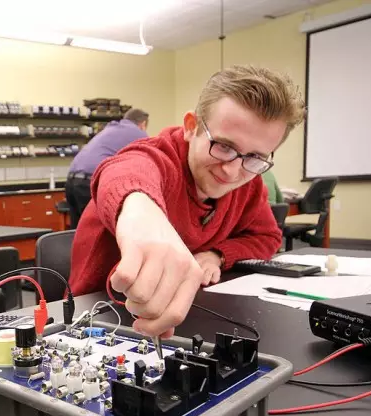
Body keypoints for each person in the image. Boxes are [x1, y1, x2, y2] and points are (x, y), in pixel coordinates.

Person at [70, 65, 305, 340]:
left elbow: (267, 236)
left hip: (189, 319)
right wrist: (141, 211)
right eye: (224, 146)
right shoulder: (161, 157)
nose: (231, 171)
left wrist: (216, 255)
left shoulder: (250, 182)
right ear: (191, 127)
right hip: (100, 319)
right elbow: (127, 169)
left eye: (254, 157)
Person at [65, 108, 149, 228]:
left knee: (76, 232)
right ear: (143, 124)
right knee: (96, 232)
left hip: (71, 181)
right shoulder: (139, 134)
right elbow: (147, 162)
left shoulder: (111, 128)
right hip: (90, 182)